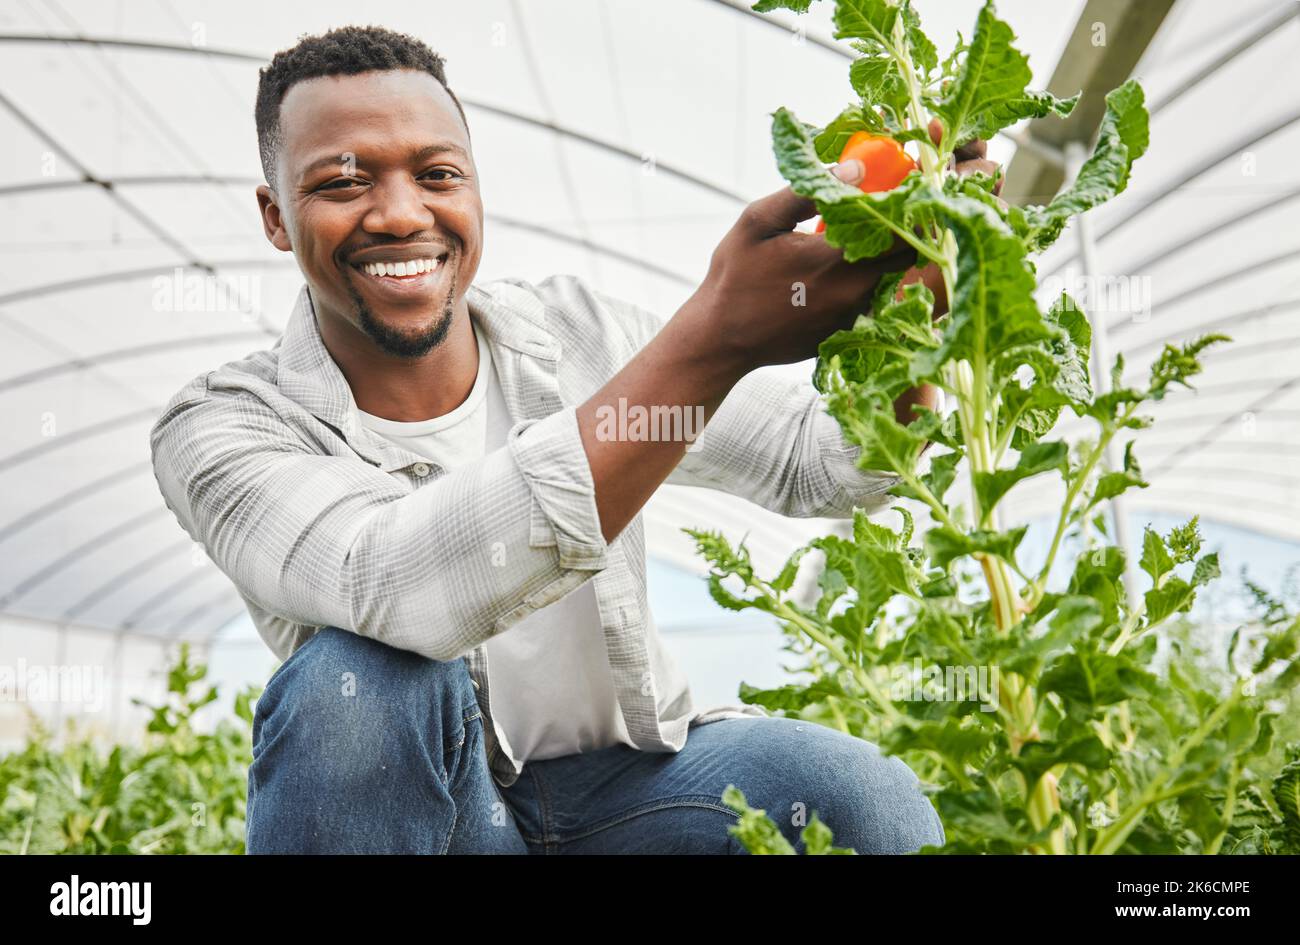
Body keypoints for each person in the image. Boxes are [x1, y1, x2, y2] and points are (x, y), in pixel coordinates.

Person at [150, 24, 995, 854]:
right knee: (357, 687)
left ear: (476, 189)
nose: (402, 214)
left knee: (862, 800)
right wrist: (709, 343)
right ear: (274, 216)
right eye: (342, 182)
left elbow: (826, 466)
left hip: (633, 791)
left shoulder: (574, 332)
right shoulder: (228, 423)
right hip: (442, 814)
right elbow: (392, 581)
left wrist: (915, 307)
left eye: (438, 174)